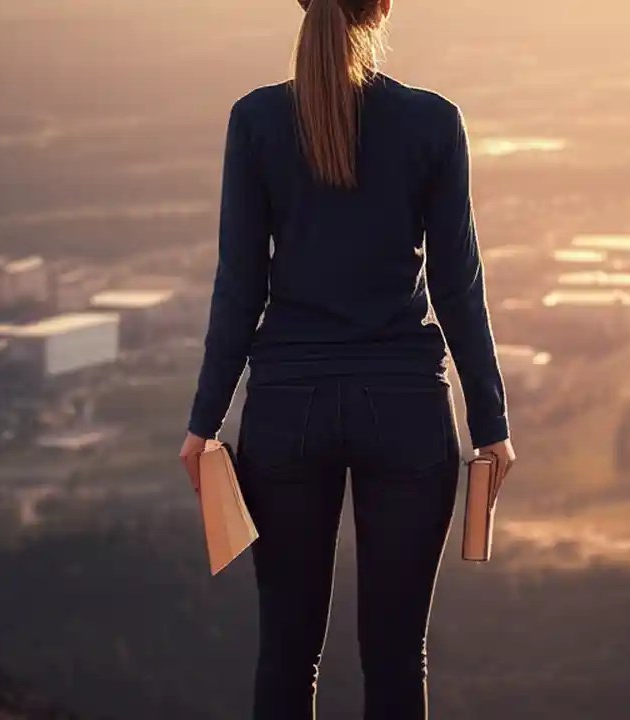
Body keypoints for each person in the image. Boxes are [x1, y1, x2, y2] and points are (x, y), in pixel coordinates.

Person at [177, 0, 516, 717]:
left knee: (287, 657)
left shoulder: (256, 121)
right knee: (395, 659)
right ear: (384, 5)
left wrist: (203, 422)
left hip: (285, 410)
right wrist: (491, 422)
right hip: (407, 411)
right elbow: (459, 287)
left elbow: (240, 285)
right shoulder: (432, 122)